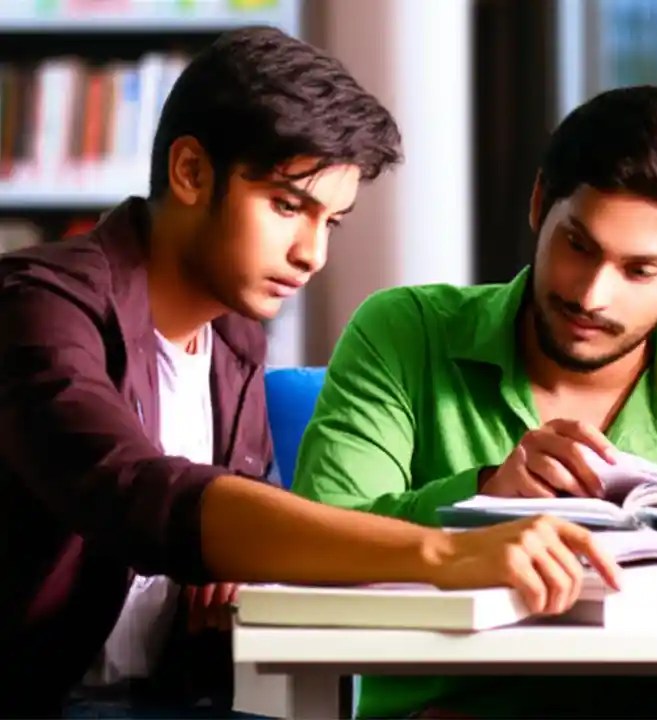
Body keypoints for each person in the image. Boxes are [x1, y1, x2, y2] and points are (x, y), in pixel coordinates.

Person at [0, 26, 619, 719]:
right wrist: (448, 552)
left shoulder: (234, 342)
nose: (311, 254)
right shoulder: (36, 306)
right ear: (191, 172)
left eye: (333, 222)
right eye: (288, 206)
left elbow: (221, 540)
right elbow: (136, 491)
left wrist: (235, 569)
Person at [292, 84, 657, 719]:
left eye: (639, 271)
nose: (593, 294)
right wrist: (482, 497)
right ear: (541, 205)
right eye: (579, 245)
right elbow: (313, 549)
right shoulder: (406, 333)